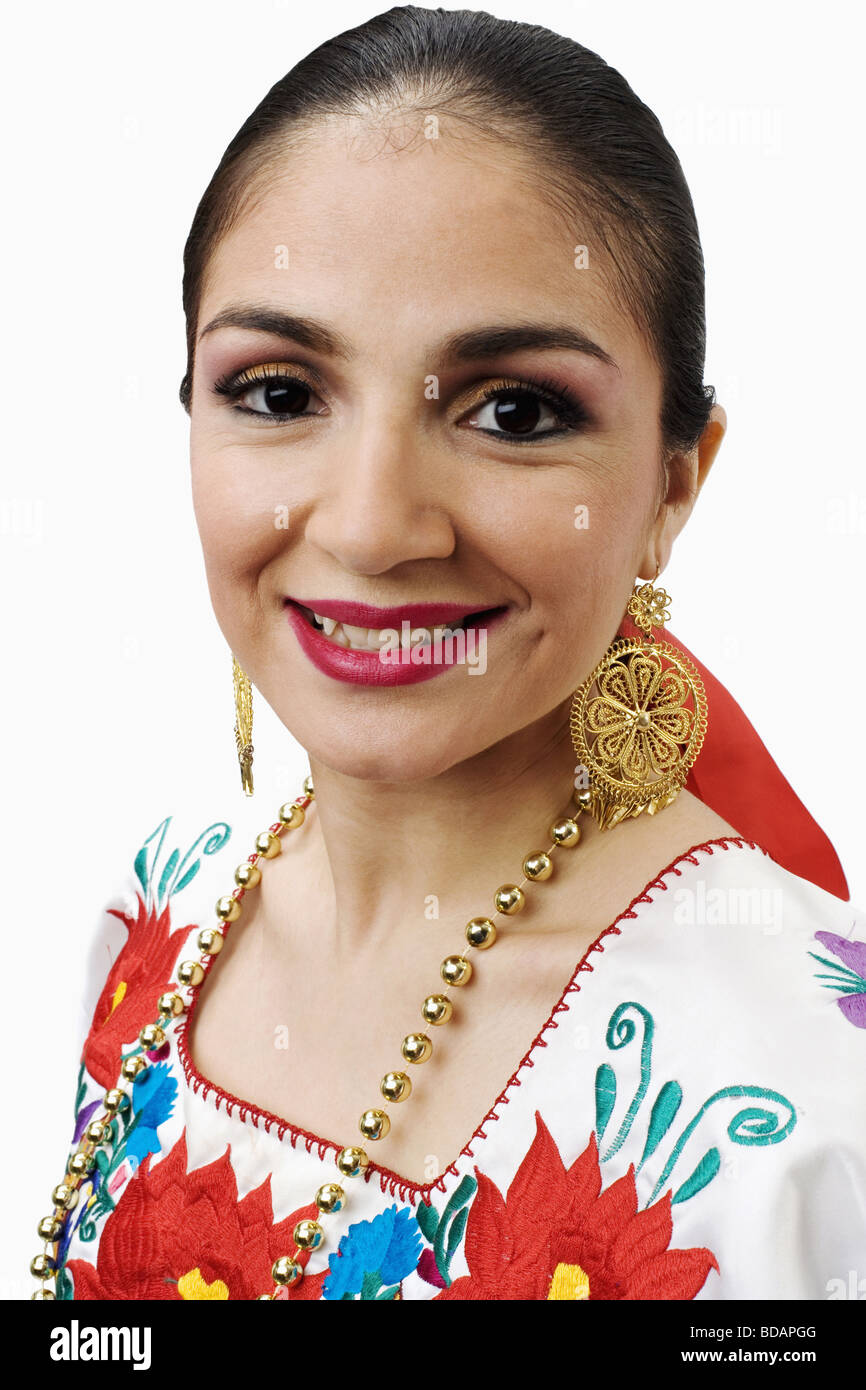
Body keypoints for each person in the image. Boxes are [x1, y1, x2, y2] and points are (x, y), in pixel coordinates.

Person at [30, 5, 864, 1302]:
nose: (371, 525)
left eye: (513, 411)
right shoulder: (161, 907)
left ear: (671, 484)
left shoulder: (814, 1107)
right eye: (278, 392)